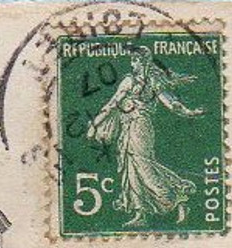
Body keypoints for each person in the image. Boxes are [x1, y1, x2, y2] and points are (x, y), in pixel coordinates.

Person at [86, 45, 202, 228]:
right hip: (129, 127)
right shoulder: (144, 81)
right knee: (131, 167)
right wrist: (189, 112)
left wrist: (95, 124)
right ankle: (140, 213)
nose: (133, 64)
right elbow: (114, 104)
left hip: (139, 127)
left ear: (144, 61)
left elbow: (170, 103)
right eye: (132, 60)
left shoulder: (139, 82)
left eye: (135, 60)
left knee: (143, 165)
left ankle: (175, 198)